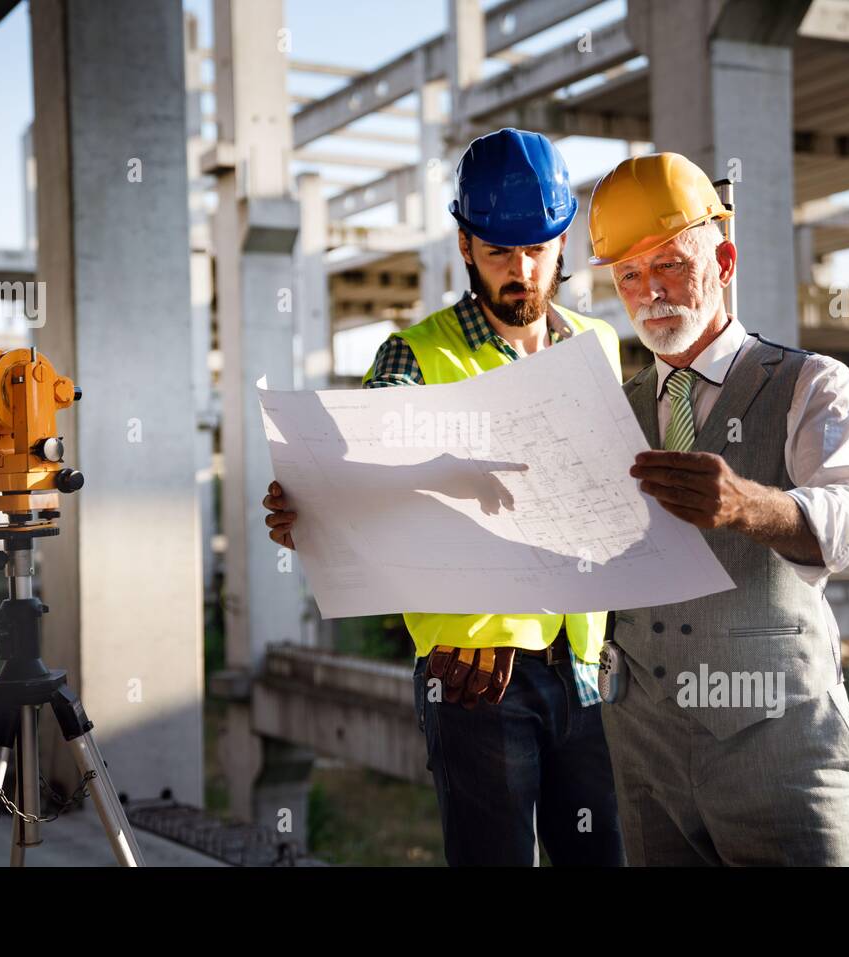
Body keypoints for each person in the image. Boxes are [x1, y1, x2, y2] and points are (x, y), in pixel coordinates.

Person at [264, 128, 625, 866]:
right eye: (499, 253)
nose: (522, 272)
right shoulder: (415, 354)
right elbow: (363, 458)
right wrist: (322, 502)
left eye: (538, 250)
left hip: (587, 668)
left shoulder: (598, 345)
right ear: (464, 245)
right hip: (475, 673)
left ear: (564, 242)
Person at [589, 151, 849, 865]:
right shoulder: (609, 408)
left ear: (723, 260)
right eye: (629, 275)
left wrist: (751, 506)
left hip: (781, 753)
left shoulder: (812, 384)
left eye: (669, 263)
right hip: (645, 753)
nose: (649, 292)